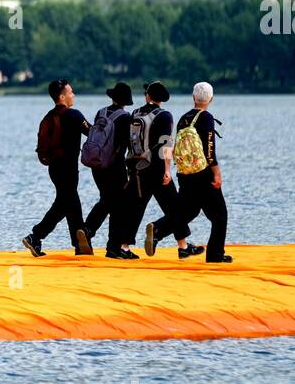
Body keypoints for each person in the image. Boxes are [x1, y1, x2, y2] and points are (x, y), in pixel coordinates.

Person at [146, 81, 231, 263]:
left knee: (187, 211)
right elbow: (209, 149)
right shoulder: (206, 117)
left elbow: (174, 146)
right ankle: (215, 255)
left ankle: (157, 229)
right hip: (203, 174)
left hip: (185, 174)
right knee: (220, 215)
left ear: (193, 98)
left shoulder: (183, 119)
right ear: (211, 99)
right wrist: (216, 172)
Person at [119, 81, 203, 259]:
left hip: (138, 168)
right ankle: (181, 245)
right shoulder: (164, 116)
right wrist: (167, 170)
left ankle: (124, 247)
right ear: (162, 99)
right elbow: (166, 143)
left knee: (136, 207)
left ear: (148, 96)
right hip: (156, 168)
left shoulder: (136, 113)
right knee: (174, 207)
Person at [23, 79, 89, 257]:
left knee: (71, 204)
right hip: (68, 168)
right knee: (64, 204)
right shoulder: (74, 115)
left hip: (53, 168)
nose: (73, 95)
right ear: (62, 96)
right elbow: (92, 132)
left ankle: (80, 246)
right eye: (70, 92)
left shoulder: (48, 116)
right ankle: (35, 236)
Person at [80, 82, 137, 259]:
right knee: (118, 205)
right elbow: (129, 145)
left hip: (97, 165)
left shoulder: (101, 112)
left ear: (112, 97)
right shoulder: (125, 117)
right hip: (115, 166)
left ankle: (88, 229)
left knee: (107, 200)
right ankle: (111, 247)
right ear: (126, 101)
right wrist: (132, 169)